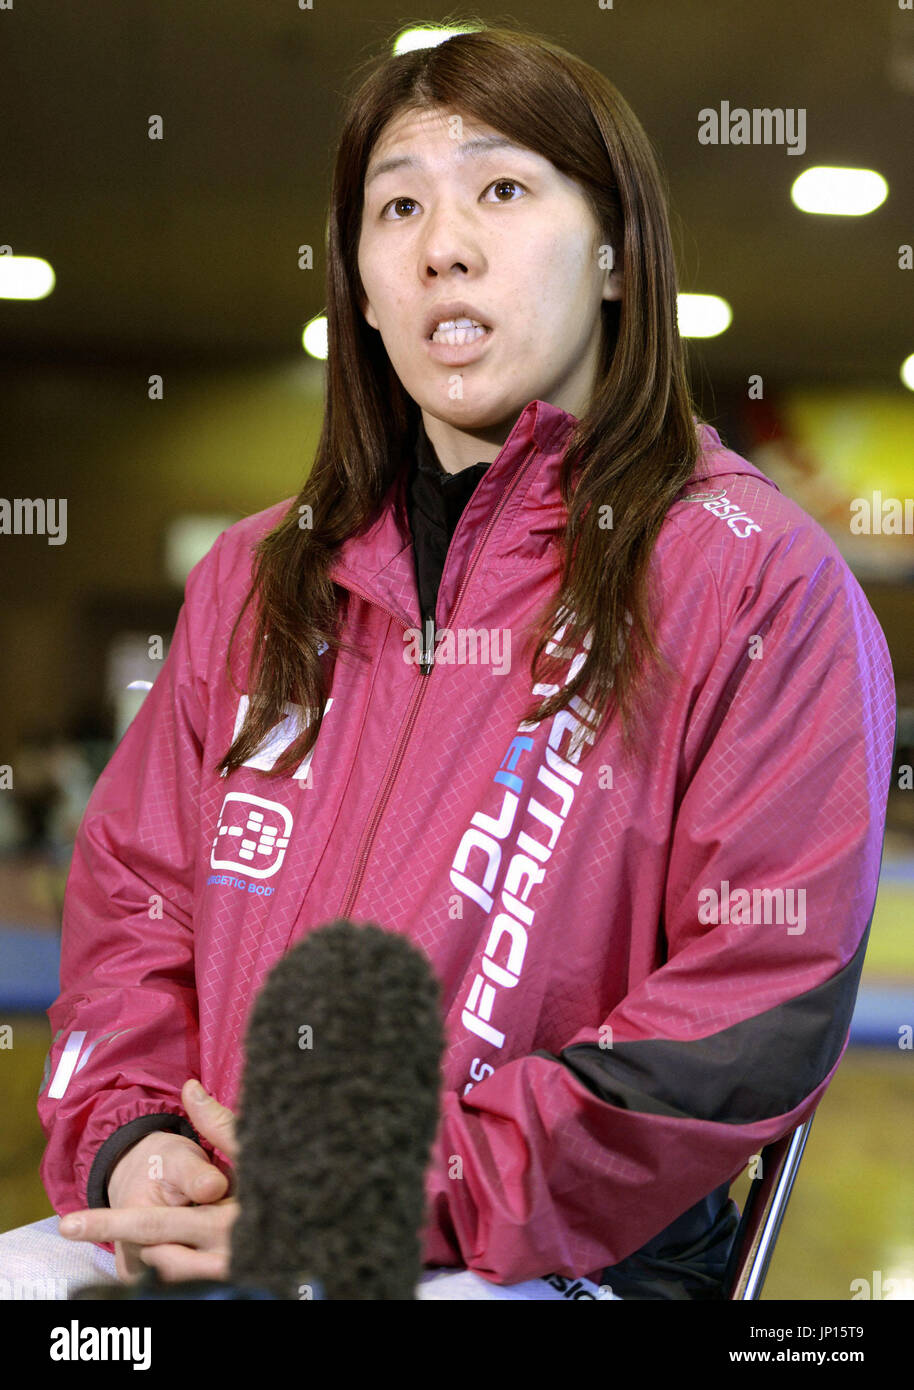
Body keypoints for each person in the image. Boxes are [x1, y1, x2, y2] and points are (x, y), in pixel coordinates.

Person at [1, 23, 896, 1301]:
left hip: (548, 1257)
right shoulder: (259, 580)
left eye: (503, 188)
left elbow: (751, 1004)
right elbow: (135, 903)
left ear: (617, 257)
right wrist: (137, 1137)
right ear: (361, 284)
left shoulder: (750, 578)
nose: (443, 244)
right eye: (397, 207)